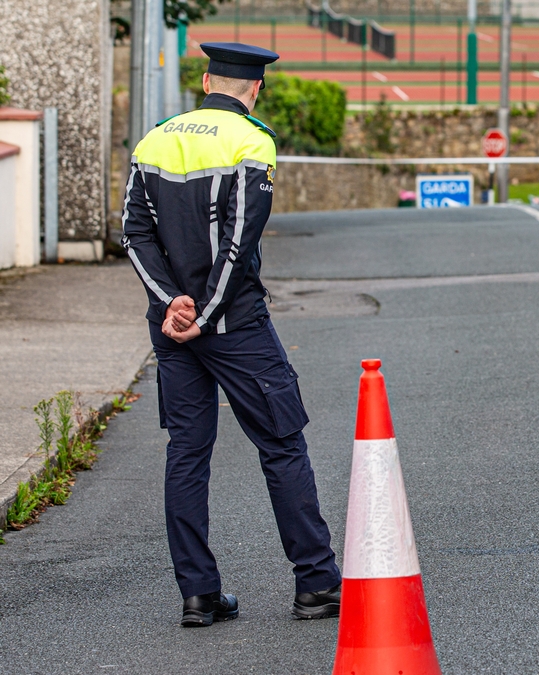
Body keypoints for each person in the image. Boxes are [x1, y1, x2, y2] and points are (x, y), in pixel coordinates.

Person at [121, 42, 343, 627]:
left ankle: (198, 595)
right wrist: (207, 313)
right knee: (282, 443)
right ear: (255, 88)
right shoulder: (252, 141)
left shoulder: (155, 139)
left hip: (172, 327)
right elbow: (238, 245)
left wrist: (172, 305)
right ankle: (316, 585)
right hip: (235, 324)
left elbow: (134, 234)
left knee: (187, 455)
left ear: (204, 80)